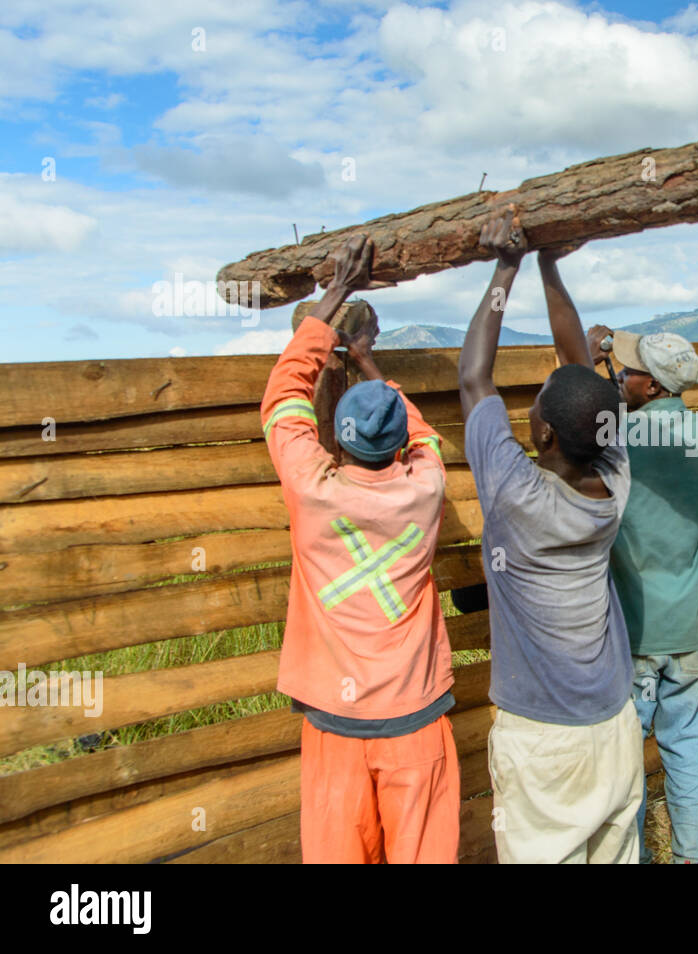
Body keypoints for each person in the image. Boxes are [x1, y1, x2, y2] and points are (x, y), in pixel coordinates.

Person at [261, 234, 459, 864]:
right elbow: (424, 434)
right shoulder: (425, 486)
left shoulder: (310, 489)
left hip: (333, 728)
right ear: (398, 444)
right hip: (416, 721)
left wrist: (336, 292)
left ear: (335, 445)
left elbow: (283, 395)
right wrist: (369, 361)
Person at [459, 211, 641, 864]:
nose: (530, 404)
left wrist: (505, 264)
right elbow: (577, 369)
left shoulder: (515, 495)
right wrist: (546, 261)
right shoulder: (614, 477)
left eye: (535, 403)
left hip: (545, 740)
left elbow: (474, 378)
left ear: (543, 435)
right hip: (614, 722)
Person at [585, 322, 698, 864]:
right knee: (687, 752)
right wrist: (614, 370)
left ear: (650, 386)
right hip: (689, 630)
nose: (621, 375)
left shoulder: (617, 440)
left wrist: (593, 360)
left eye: (630, 371)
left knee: (624, 767)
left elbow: (595, 426)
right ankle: (696, 856)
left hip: (635, 635)